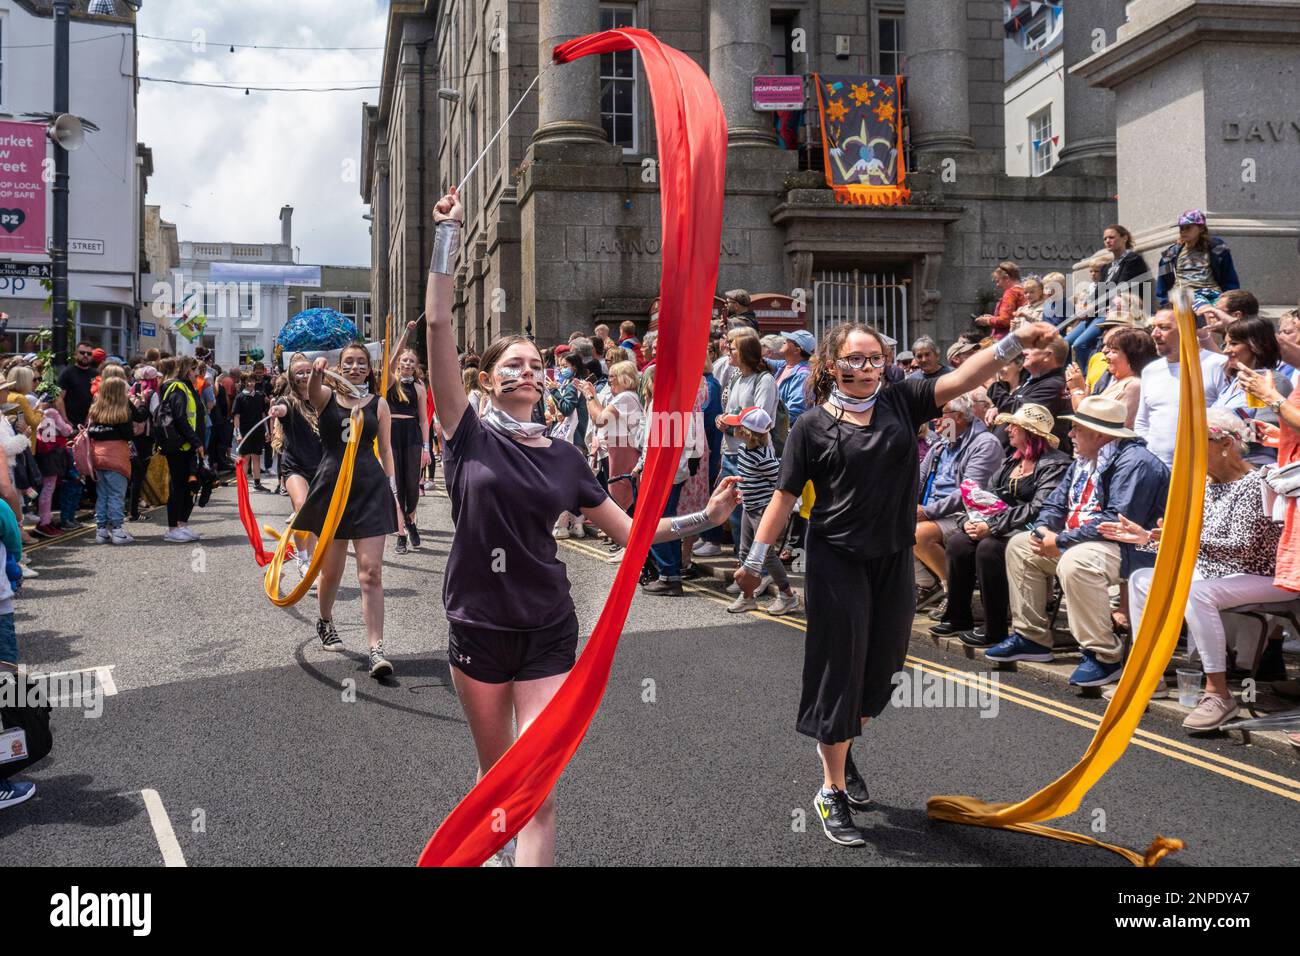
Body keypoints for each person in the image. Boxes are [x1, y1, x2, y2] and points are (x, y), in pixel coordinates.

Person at [423, 187, 740, 866]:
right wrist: (447, 234)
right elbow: (438, 329)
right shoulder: (466, 432)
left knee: (535, 784)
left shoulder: (565, 456)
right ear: (486, 379)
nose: (530, 370)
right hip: (477, 623)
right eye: (515, 363)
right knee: (496, 778)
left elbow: (631, 534)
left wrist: (702, 518)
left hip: (546, 626)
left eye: (537, 364)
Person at [734, 317, 1063, 847]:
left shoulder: (901, 401)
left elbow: (961, 378)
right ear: (832, 365)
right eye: (854, 359)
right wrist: (754, 559)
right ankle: (830, 789)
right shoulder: (810, 426)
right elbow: (784, 499)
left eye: (874, 358)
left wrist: (1014, 343)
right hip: (836, 560)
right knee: (840, 668)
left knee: (885, 667)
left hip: (891, 557)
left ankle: (841, 740)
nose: (866, 368)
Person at [1102, 409, 1288, 731]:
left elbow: (1241, 546)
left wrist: (1177, 538)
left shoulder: (1258, 481)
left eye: (1197, 444)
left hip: (1262, 574)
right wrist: (1149, 538)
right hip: (1218, 572)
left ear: (1226, 444)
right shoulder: (1203, 484)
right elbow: (1192, 542)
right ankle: (1149, 678)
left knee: (1196, 591)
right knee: (1143, 580)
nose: (1188, 454)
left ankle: (1218, 694)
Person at [987, 396, 1170, 686]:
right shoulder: (1084, 460)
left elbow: (1115, 520)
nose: (1070, 434)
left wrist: (1061, 541)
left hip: (1135, 547)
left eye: (1076, 429)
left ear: (1099, 434)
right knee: (1022, 545)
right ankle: (1031, 638)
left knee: (1077, 561)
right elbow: (1055, 504)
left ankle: (1104, 656)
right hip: (1088, 540)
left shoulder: (1136, 462)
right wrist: (1045, 530)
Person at [294, 344, 401, 678]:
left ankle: (376, 649)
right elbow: (312, 392)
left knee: (371, 572)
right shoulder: (326, 397)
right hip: (331, 490)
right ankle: (325, 620)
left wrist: (393, 492)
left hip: (369, 488)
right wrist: (315, 371)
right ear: (339, 368)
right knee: (332, 570)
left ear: (369, 369)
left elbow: (385, 448)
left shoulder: (378, 404)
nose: (355, 367)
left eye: (361, 363)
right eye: (348, 363)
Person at [935, 404, 1072, 645]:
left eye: (1014, 426)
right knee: (959, 542)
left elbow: (1038, 509)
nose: (1008, 429)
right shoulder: (1012, 462)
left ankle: (994, 628)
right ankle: (958, 617)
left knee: (990, 548)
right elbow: (985, 496)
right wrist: (971, 520)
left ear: (1030, 432)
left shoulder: (1055, 464)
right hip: (1000, 524)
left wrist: (992, 526)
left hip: (1032, 529)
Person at [913, 392, 1005, 606]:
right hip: (934, 510)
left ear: (960, 417)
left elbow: (968, 492)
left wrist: (927, 512)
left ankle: (953, 591)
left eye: (941, 414)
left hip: (965, 514)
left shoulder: (984, 444)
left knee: (918, 534)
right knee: (890, 522)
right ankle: (926, 584)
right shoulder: (940, 445)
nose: (935, 420)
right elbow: (915, 480)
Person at [1134, 307, 1229, 468]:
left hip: (1202, 472)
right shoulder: (1150, 371)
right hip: (1157, 473)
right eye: (1153, 328)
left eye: (1163, 328)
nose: (1154, 334)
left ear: (1188, 330)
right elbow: (1142, 422)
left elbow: (1228, 420)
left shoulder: (1217, 365)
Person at [715, 327, 777, 554]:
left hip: (753, 455)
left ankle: (759, 572)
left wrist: (729, 426)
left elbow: (760, 418)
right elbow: (729, 411)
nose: (728, 351)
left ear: (745, 352)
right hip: (731, 453)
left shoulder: (765, 380)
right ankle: (744, 567)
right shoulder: (734, 378)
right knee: (735, 518)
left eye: (732, 348)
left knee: (752, 519)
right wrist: (719, 420)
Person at [268, 354, 324, 580]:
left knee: (314, 522)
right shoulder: (288, 402)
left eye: (308, 371)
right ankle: (302, 557)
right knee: (303, 507)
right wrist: (276, 411)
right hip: (295, 468)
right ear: (291, 377)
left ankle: (309, 558)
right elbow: (282, 409)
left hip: (322, 468)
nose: (304, 376)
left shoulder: (324, 399)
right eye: (299, 373)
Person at [1212, 316, 1293, 463]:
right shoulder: (1232, 384)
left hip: (1255, 469)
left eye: (1234, 343)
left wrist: (1213, 428)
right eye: (1225, 344)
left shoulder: (1274, 380)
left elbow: (1263, 432)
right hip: (1227, 469)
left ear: (1256, 345)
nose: (1226, 351)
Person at [386, 325, 433, 554]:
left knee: (412, 486)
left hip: (413, 434)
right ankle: (402, 534)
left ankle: (411, 521)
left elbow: (424, 420)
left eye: (411, 362)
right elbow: (392, 358)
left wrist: (426, 448)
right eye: (404, 361)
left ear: (416, 367)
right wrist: (405, 333)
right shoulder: (389, 382)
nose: (407, 364)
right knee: (397, 487)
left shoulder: (419, 387)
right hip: (392, 434)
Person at [987, 334, 1073, 452]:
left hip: (1041, 464)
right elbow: (1015, 404)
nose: (1025, 352)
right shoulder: (1034, 382)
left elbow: (1020, 412)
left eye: (1032, 348)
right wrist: (997, 408)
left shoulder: (1054, 385)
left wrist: (991, 384)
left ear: (1048, 355)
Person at [1064, 325, 1156, 429]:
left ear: (1132, 356)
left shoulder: (1134, 385)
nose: (1107, 355)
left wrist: (1077, 390)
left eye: (1114, 352)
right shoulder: (1115, 380)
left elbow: (1093, 421)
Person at [157, 357, 208, 543]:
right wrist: (196, 442)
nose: (199, 374)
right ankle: (172, 529)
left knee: (189, 487)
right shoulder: (178, 388)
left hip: (188, 446)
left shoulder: (187, 388)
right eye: (196, 370)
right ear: (188, 370)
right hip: (180, 447)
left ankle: (181, 524)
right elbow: (180, 418)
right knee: (178, 487)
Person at [86, 377, 138, 545]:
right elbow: (128, 435)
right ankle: (117, 530)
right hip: (116, 457)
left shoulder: (95, 410)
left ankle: (101, 531)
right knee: (116, 494)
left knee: (102, 495)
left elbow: (90, 432)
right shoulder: (122, 412)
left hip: (97, 457)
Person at [1155, 209, 1240, 309]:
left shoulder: (1217, 248)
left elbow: (1229, 275)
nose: (1183, 231)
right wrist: (1164, 305)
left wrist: (1231, 299)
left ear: (1201, 228)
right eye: (1181, 228)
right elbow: (1162, 283)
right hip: (1184, 297)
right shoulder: (1169, 255)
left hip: (1213, 294)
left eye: (1188, 227)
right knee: (1203, 307)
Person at [232, 372, 271, 492]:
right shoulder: (239, 397)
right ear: (244, 382)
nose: (250, 383)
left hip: (258, 431)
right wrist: (237, 433)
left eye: (252, 381)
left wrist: (267, 431)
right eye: (248, 381)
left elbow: (263, 414)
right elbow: (236, 417)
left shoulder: (259, 396)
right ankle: (243, 484)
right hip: (245, 432)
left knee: (256, 457)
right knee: (245, 458)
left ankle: (257, 483)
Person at [974, 261, 1025, 340]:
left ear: (1007, 278)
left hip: (1006, 339)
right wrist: (994, 318)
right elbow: (1011, 317)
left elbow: (1005, 320)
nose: (997, 285)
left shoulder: (1010, 293)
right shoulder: (1025, 291)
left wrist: (987, 320)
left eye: (998, 281)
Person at [58, 340, 98, 428]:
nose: (85, 355)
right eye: (82, 352)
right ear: (76, 354)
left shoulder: (96, 374)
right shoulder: (67, 373)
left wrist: (90, 417)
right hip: (70, 423)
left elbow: (97, 399)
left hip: (89, 424)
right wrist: (65, 420)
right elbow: (59, 398)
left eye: (89, 354)